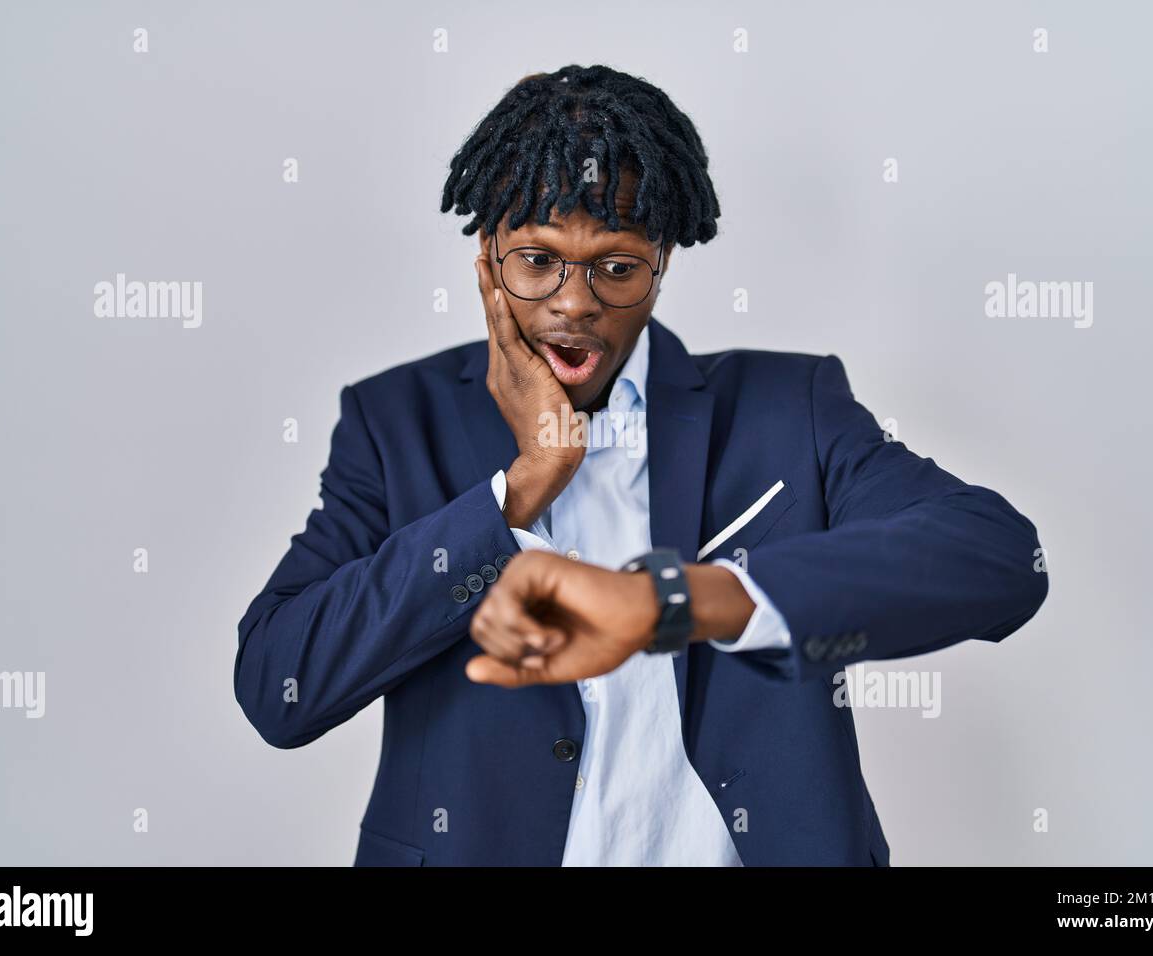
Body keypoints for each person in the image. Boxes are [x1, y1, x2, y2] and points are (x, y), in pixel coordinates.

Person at [234, 64, 1048, 866]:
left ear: (663, 262)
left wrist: (677, 599)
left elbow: (1000, 557)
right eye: (537, 259)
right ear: (487, 258)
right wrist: (514, 493)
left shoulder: (784, 407)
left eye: (616, 267)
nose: (575, 300)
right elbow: (278, 684)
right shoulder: (396, 423)